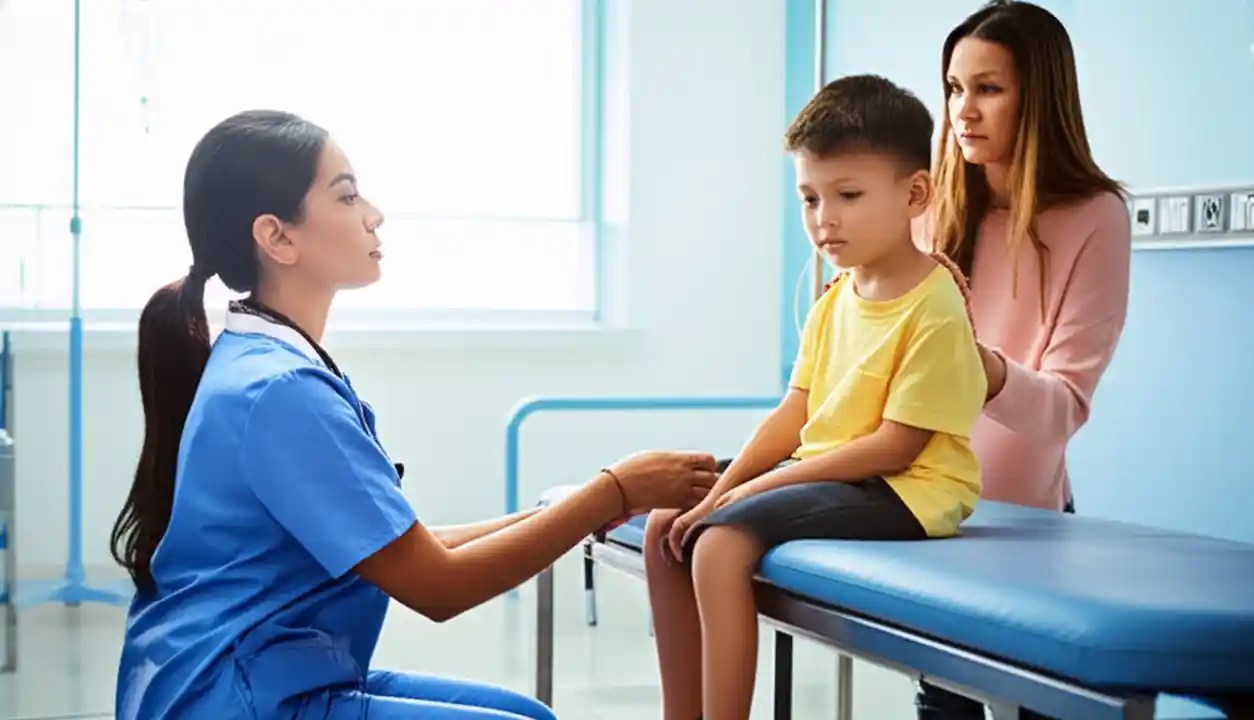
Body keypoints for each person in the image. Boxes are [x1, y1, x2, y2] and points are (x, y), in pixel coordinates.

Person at [109, 109, 719, 720]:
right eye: (346, 195)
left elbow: (408, 547)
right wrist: (611, 493)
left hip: (259, 671)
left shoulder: (270, 362)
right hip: (233, 694)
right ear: (277, 237)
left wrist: (567, 510)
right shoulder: (279, 391)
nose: (373, 213)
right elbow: (437, 586)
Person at [642, 74, 989, 720]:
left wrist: (754, 493)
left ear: (915, 194)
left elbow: (895, 447)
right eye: (809, 199)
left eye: (847, 195)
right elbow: (794, 413)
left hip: (909, 491)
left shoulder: (935, 304)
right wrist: (725, 488)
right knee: (668, 525)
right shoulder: (837, 297)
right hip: (840, 475)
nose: (823, 219)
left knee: (719, 544)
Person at [912, 2, 1131, 718]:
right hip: (926, 507)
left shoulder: (1095, 216)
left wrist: (977, 365)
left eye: (988, 88)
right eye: (953, 87)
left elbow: (1062, 408)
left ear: (1038, 96)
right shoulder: (928, 209)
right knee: (944, 706)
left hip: (1027, 523)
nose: (962, 110)